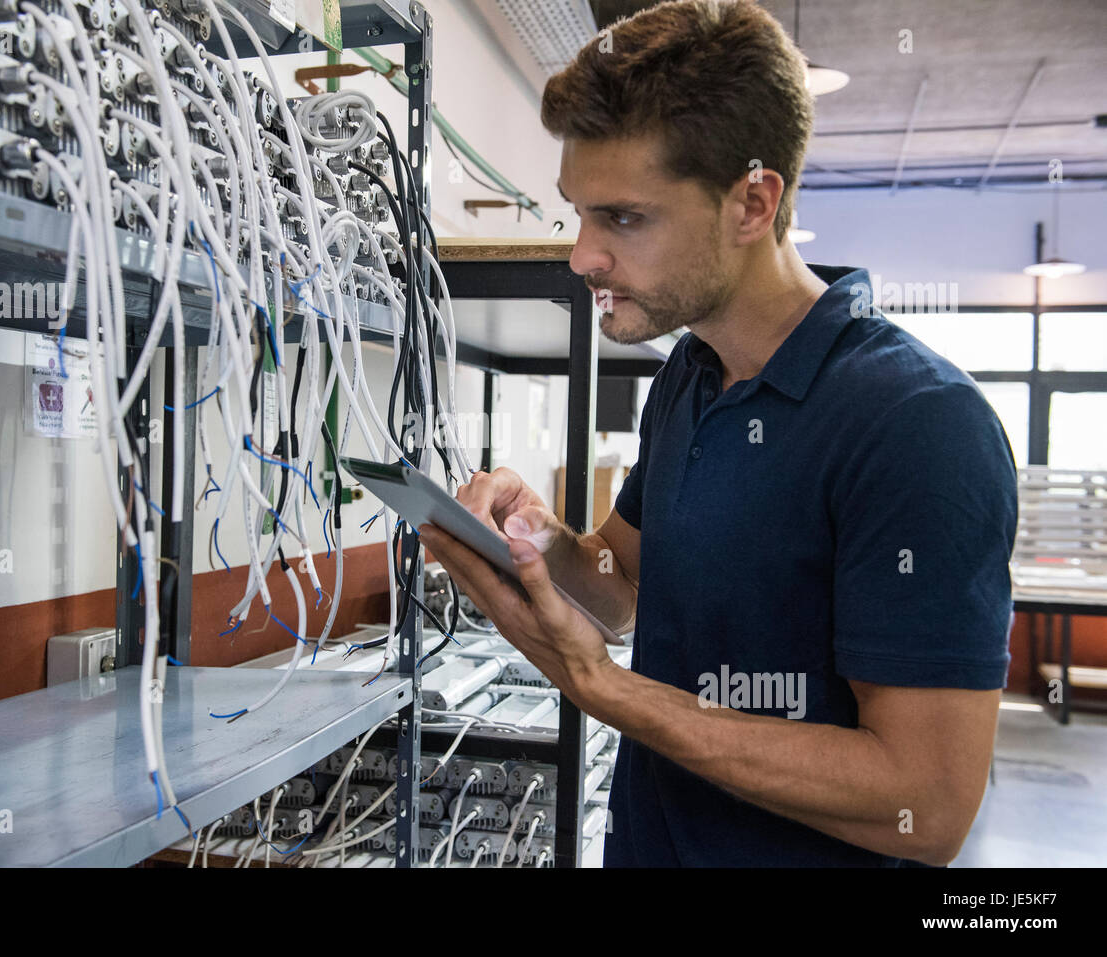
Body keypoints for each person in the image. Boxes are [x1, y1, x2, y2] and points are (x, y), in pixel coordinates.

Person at [419, 0, 1018, 866]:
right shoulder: (690, 377)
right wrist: (534, 537)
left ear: (753, 202)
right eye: (578, 213)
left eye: (623, 217)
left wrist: (604, 688)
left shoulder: (918, 425)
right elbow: (621, 583)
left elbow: (924, 804)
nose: (582, 254)